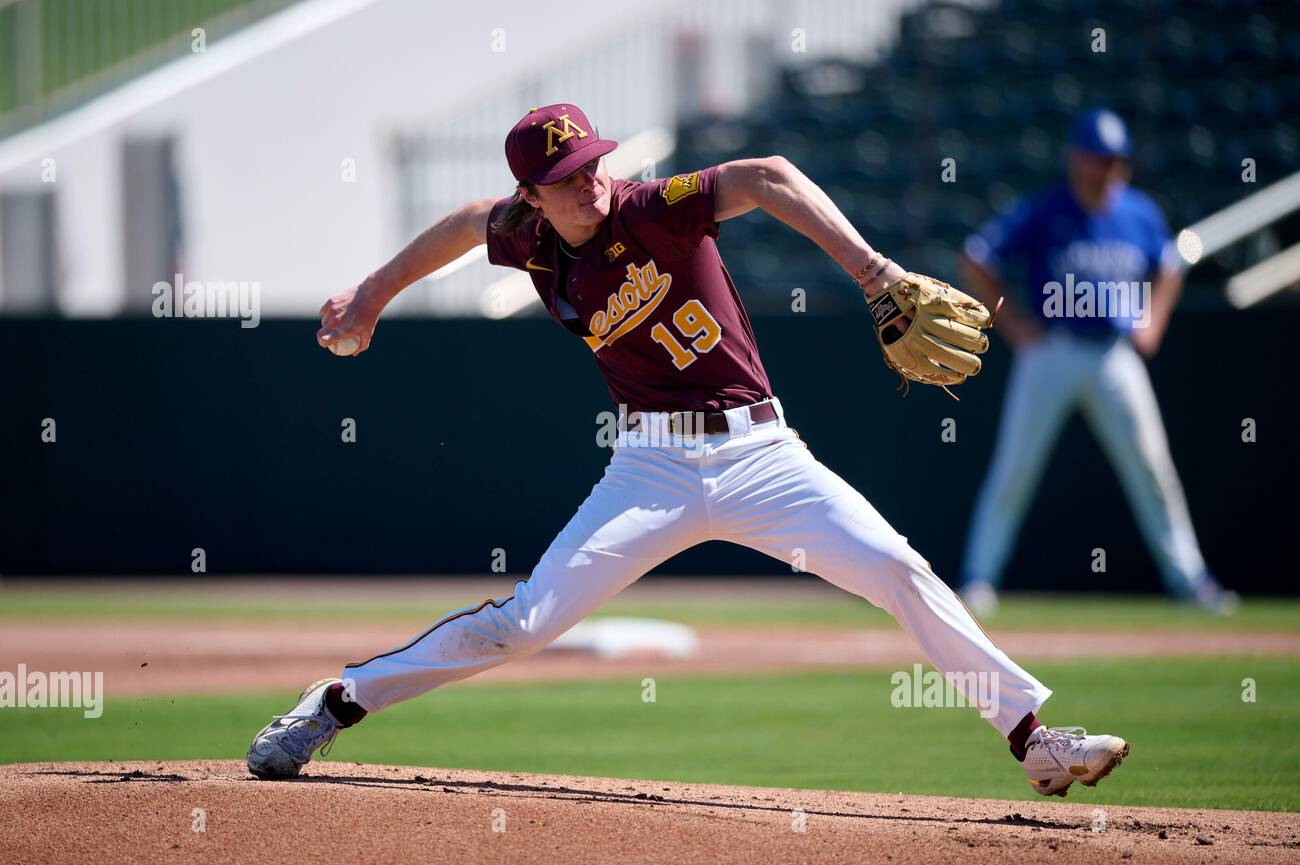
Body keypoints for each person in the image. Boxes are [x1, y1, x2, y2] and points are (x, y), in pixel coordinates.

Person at [247, 103, 1129, 798]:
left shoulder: (653, 206)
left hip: (762, 455)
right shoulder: (525, 237)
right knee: (522, 625)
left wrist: (877, 274)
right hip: (648, 469)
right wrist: (369, 298)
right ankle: (334, 702)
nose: (589, 181)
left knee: (897, 570)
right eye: (565, 175)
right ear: (534, 197)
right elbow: (460, 224)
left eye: (591, 161)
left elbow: (769, 175)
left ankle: (1034, 740)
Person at [958, 108, 1237, 618]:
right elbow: (977, 257)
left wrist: (1152, 322)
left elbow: (1172, 264)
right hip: (1052, 351)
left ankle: (1191, 580)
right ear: (1074, 159)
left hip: (1114, 355)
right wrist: (1016, 325)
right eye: (1095, 158)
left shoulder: (1139, 213)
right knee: (1015, 467)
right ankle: (980, 578)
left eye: (1112, 159)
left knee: (1153, 469)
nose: (1104, 169)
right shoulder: (1046, 210)